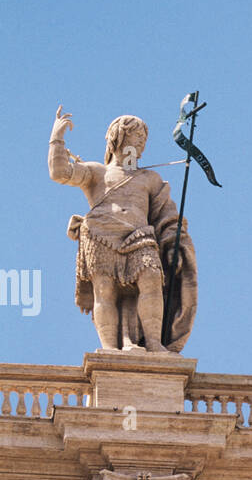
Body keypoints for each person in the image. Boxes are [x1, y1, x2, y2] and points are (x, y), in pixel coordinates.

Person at [48, 106, 197, 352]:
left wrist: (174, 243)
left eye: (143, 139)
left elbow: (168, 216)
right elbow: (60, 173)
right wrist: (57, 138)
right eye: (135, 136)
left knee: (151, 281)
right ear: (118, 137)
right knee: (104, 290)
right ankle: (109, 348)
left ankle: (153, 343)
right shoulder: (97, 171)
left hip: (140, 238)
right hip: (99, 235)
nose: (140, 143)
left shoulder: (151, 179)